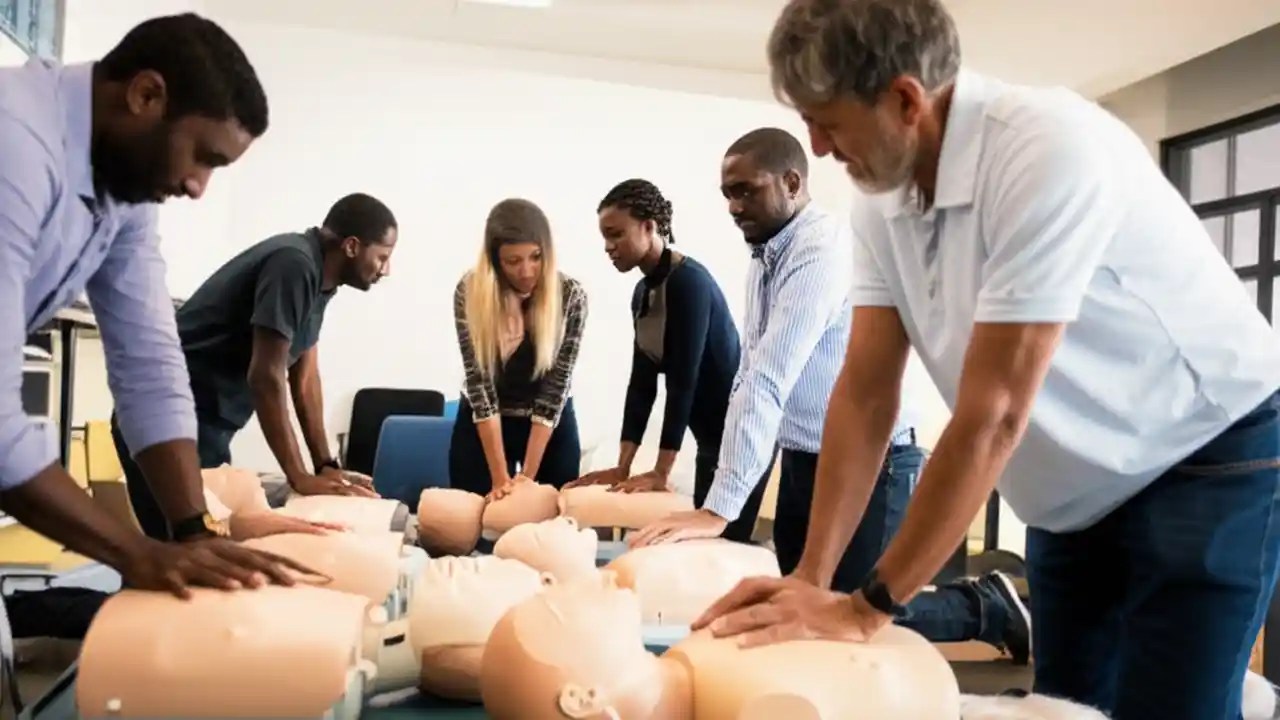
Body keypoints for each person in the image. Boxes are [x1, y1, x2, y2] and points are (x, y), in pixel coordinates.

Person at [695, 2, 1280, 719]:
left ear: (905, 100)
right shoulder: (880, 200)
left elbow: (994, 414)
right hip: (1074, 495)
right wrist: (813, 578)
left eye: (827, 120)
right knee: (1066, 707)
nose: (814, 147)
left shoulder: (1048, 152)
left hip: (1205, 453)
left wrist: (867, 607)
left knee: (1172, 706)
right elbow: (865, 392)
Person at [633, 128, 1028, 659]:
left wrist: (719, 510)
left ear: (792, 182)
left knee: (850, 609)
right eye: (727, 193)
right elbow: (750, 378)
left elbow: (769, 377)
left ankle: (986, 607)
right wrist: (724, 500)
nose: (733, 206)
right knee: (805, 604)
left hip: (877, 458)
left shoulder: (821, 251)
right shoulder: (767, 255)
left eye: (746, 190)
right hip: (806, 453)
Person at [0, 13, 319, 597]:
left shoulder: (121, 191)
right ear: (146, 95)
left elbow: (149, 358)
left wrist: (192, 529)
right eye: (203, 156)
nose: (199, 186)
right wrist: (135, 552)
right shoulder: (15, 144)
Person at [113, 193, 399, 541]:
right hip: (167, 417)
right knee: (188, 551)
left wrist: (325, 466)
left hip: (204, 423)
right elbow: (265, 376)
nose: (386, 269)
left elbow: (305, 377)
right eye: (383, 257)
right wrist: (298, 476)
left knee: (209, 548)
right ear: (353, 247)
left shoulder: (321, 280)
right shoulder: (294, 264)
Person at [564, 179, 772, 543]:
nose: (609, 248)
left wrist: (661, 472)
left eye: (616, 235)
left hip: (743, 442)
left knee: (721, 550)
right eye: (604, 238)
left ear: (649, 227)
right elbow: (641, 384)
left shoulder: (689, 283)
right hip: (711, 443)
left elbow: (682, 382)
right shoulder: (643, 293)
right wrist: (622, 467)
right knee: (702, 549)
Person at [450, 198, 588, 500]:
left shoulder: (571, 297)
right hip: (484, 423)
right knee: (467, 523)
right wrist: (501, 478)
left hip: (547, 426)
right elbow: (479, 384)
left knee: (551, 523)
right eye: (513, 261)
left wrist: (525, 478)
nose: (527, 271)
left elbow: (555, 388)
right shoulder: (469, 293)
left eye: (536, 257)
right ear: (495, 261)